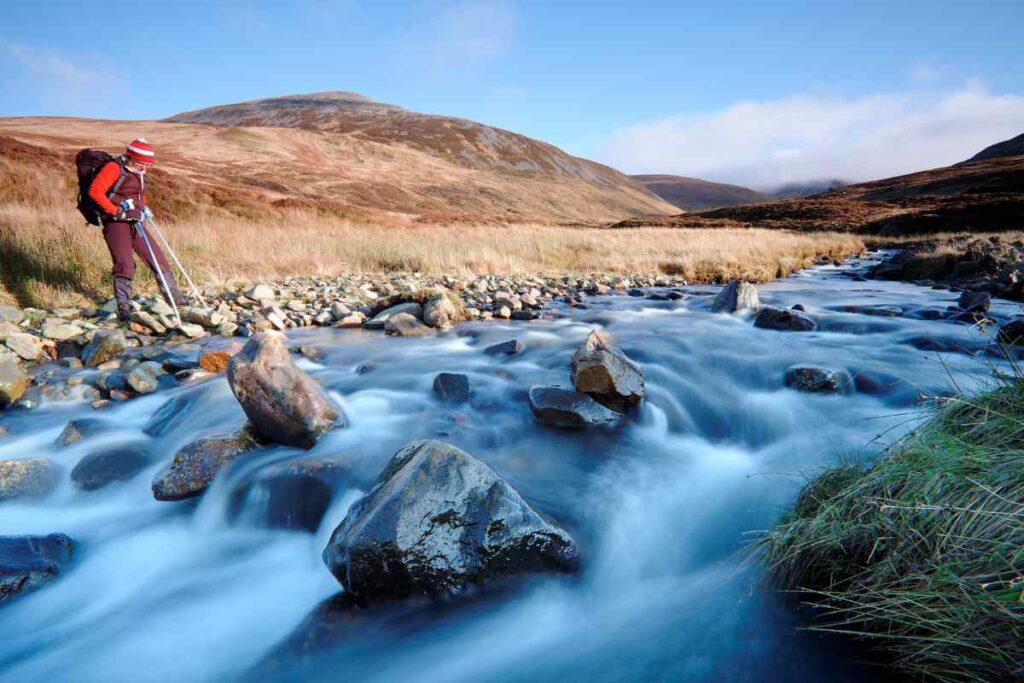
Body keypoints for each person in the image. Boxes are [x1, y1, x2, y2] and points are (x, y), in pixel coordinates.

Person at [88, 138, 186, 321]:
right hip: (115, 221)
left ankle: (175, 299)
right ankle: (124, 308)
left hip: (136, 220)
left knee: (158, 259)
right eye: (142, 163)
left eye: (147, 164)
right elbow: (95, 192)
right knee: (125, 264)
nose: (145, 168)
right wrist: (116, 211)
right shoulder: (113, 168)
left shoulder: (140, 172)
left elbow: (139, 194)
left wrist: (143, 208)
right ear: (130, 157)